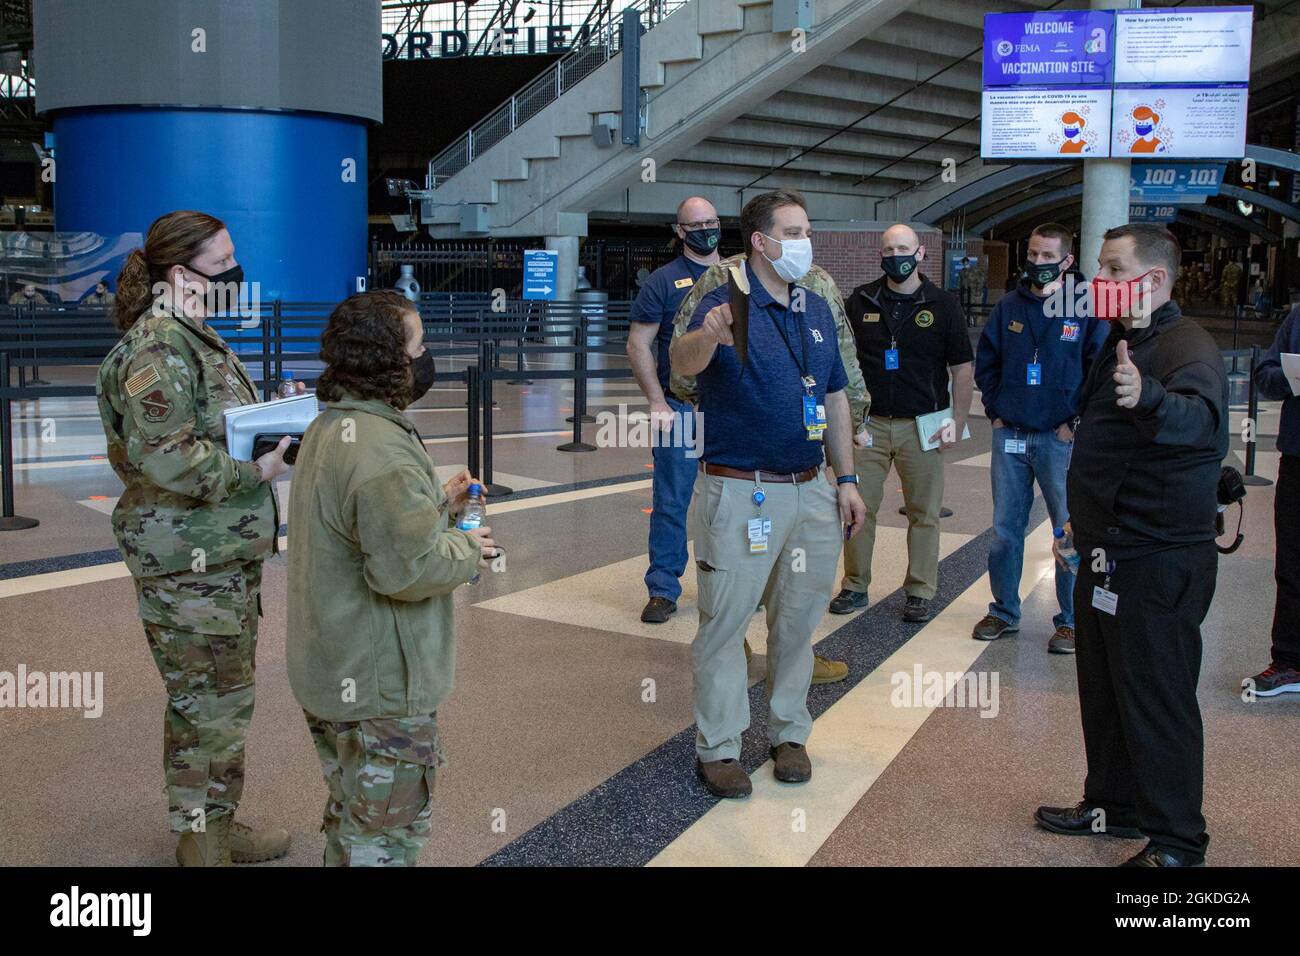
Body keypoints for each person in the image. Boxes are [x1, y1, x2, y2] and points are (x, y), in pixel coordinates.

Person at [96, 210, 293, 866]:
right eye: (224, 261)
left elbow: (207, 428)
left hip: (218, 552)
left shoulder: (194, 337)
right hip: (188, 560)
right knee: (205, 703)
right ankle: (201, 842)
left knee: (223, 699)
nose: (236, 271)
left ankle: (216, 824)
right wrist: (257, 472)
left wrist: (270, 418)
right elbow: (169, 457)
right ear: (182, 274)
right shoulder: (158, 348)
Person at [1036, 224, 1228, 867]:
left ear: (1154, 279)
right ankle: (1113, 806)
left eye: (1114, 270)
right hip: (1108, 548)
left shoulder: (1186, 346)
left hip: (1157, 557)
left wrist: (1150, 398)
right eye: (1099, 268)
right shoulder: (1122, 338)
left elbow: (1203, 423)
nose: (1100, 281)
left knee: (1156, 697)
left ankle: (1177, 843)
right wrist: (1080, 524)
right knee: (1106, 689)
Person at [670, 189, 866, 798]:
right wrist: (709, 336)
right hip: (740, 490)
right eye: (794, 232)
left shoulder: (816, 304)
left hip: (810, 491)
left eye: (807, 231)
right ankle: (719, 746)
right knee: (725, 624)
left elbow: (833, 395)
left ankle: (789, 732)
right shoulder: (723, 299)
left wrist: (846, 479)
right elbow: (681, 364)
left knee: (797, 622)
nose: (806, 243)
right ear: (761, 241)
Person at [286, 291, 494, 866]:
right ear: (389, 360)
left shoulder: (332, 425)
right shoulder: (382, 452)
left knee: (353, 810)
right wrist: (467, 548)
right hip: (380, 682)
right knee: (384, 836)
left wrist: (435, 503)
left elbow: (362, 527)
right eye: (419, 346)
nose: (426, 358)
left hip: (334, 664)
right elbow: (409, 569)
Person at [972, 223, 1107, 653]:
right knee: (1004, 531)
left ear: (1067, 261)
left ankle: (1070, 622)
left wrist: (1074, 424)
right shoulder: (1009, 306)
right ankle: (1003, 611)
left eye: (1048, 256)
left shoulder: (1085, 308)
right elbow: (986, 363)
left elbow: (1098, 371)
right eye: (1033, 254)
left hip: (1059, 439)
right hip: (1010, 435)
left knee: (1067, 532)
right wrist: (995, 412)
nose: (1038, 262)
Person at [830, 223, 975, 623]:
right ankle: (855, 584)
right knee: (858, 508)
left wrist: (957, 420)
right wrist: (848, 420)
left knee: (924, 512)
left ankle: (920, 590)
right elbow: (843, 362)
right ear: (881, 255)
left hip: (924, 424)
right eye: (889, 250)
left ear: (921, 253)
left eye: (904, 249)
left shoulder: (943, 305)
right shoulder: (861, 300)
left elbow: (962, 369)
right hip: (869, 426)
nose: (897, 256)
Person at [628, 197, 721, 626]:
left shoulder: (739, 276)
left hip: (731, 410)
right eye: (695, 225)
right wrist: (656, 400)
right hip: (681, 408)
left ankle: (736, 582)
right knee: (671, 501)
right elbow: (638, 344)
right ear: (680, 231)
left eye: (711, 222)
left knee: (734, 500)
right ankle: (663, 589)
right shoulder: (662, 282)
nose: (705, 230)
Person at [1244, 303, 1300, 696]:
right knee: (1292, 565)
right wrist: (1293, 377)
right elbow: (1265, 375)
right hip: (1297, 458)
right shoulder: (1297, 318)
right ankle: (1290, 661)